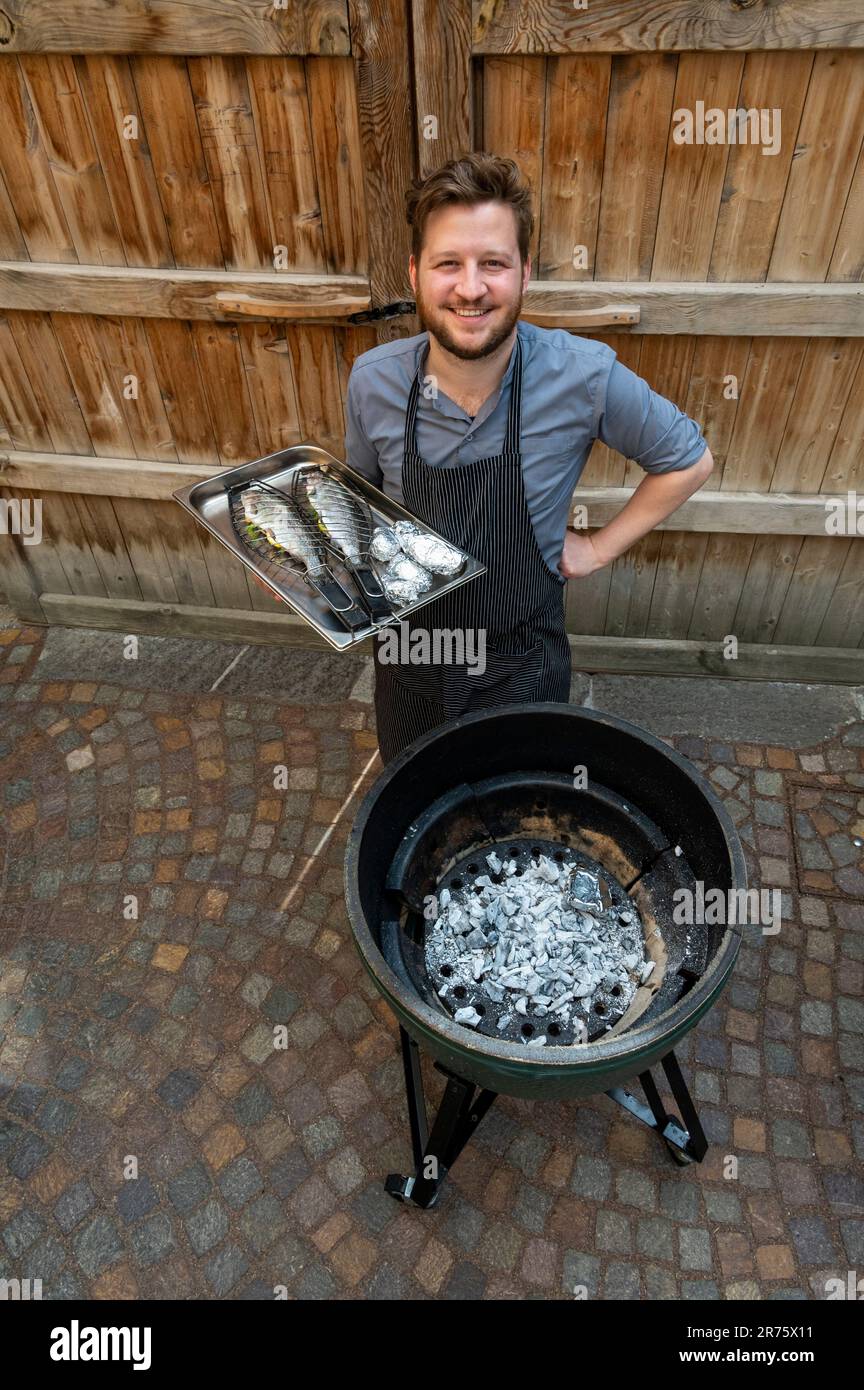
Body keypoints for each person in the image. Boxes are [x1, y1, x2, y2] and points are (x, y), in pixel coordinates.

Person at [344, 153, 713, 764]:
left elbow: (688, 461)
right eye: (447, 264)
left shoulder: (583, 376)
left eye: (493, 263)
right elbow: (360, 505)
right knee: (415, 798)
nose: (470, 287)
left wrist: (598, 548)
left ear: (524, 272)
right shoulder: (373, 382)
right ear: (414, 273)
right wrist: (307, 568)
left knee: (519, 804)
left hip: (523, 661)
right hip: (412, 660)